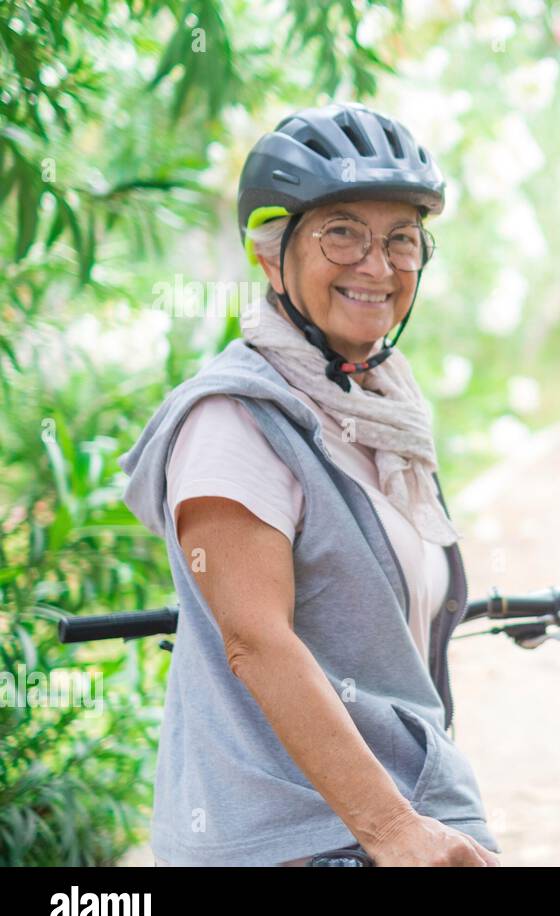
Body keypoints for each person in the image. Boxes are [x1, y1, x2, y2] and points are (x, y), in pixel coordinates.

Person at [118, 103, 500, 866]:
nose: (377, 264)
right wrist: (394, 832)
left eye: (401, 238)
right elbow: (256, 642)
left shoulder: (380, 408)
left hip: (395, 811)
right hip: (299, 840)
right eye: (342, 233)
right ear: (270, 255)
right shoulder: (234, 421)